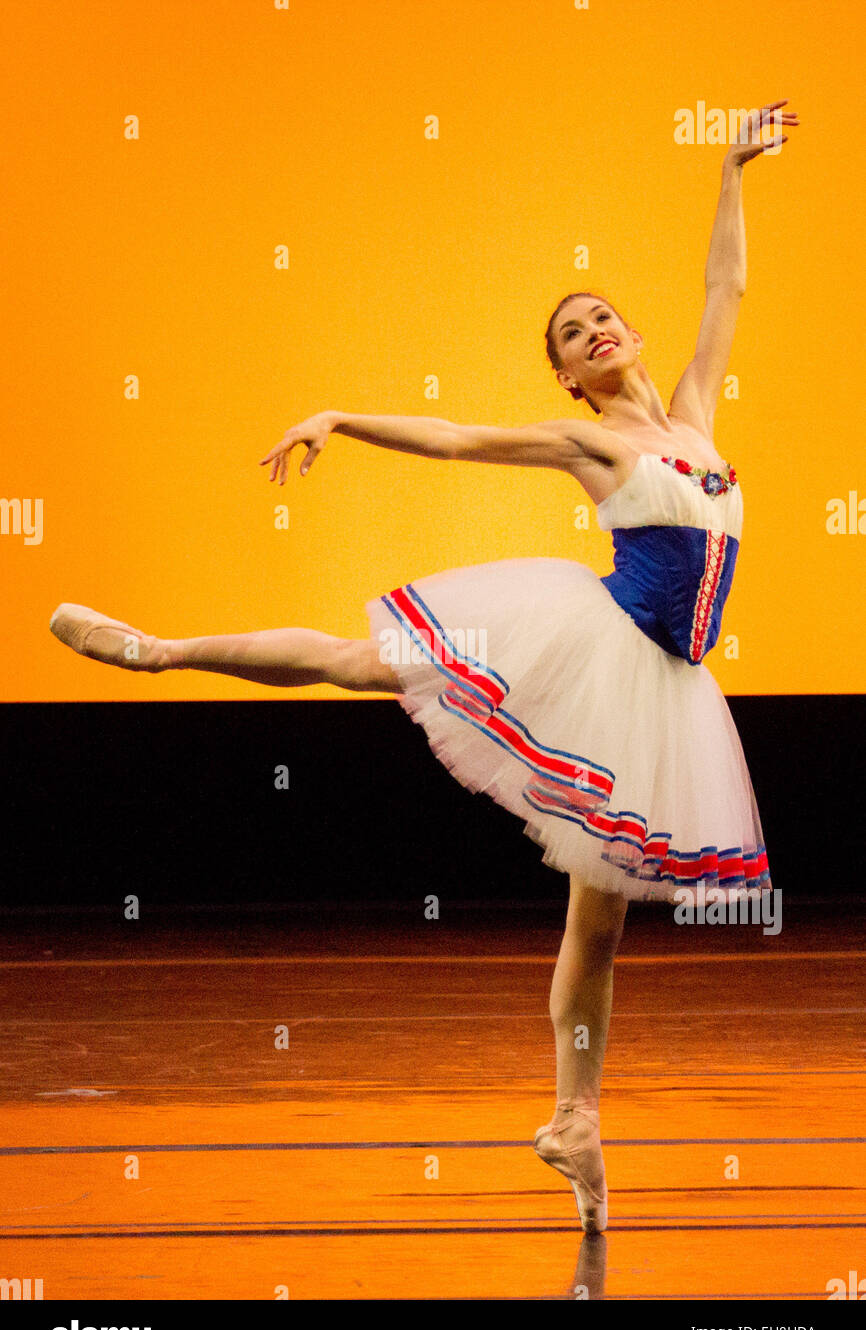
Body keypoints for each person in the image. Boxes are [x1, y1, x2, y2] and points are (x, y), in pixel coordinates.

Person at [49, 101, 798, 1234]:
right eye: (567, 336)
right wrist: (341, 416)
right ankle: (161, 650)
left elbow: (724, 292)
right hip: (592, 647)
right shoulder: (590, 441)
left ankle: (577, 1127)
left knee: (595, 929)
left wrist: (732, 167)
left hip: (664, 696)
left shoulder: (693, 417)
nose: (590, 332)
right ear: (564, 380)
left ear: (632, 336)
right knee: (369, 664)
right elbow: (456, 442)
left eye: (600, 318)